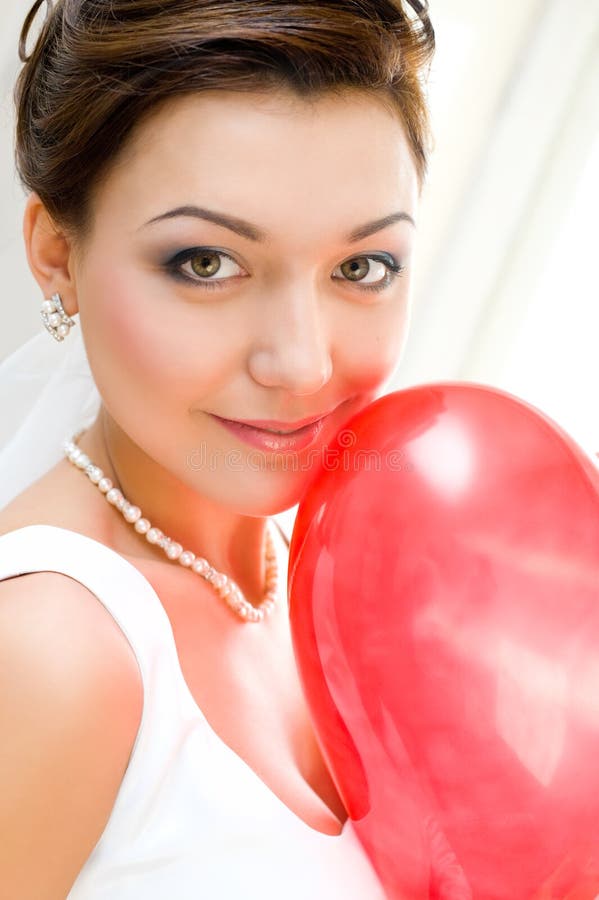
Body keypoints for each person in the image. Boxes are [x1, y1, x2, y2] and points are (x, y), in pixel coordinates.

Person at [0, 0, 435, 896]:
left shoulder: (326, 582)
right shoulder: (49, 650)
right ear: (57, 255)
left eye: (361, 268)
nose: (301, 363)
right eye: (206, 263)